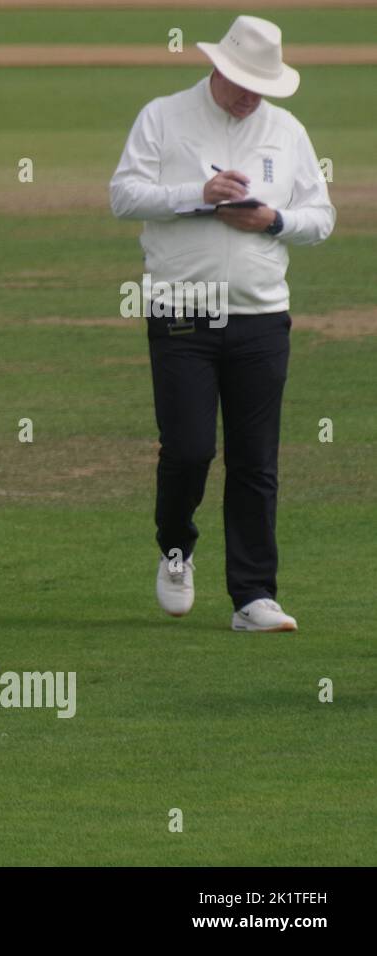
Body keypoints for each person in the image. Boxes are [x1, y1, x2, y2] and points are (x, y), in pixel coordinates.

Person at [109, 16, 334, 632]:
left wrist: (275, 220)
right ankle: (176, 549)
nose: (250, 95)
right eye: (242, 81)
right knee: (188, 450)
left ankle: (253, 597)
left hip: (262, 312)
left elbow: (322, 215)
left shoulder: (285, 131)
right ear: (218, 67)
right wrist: (197, 194)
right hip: (184, 308)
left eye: (262, 85)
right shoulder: (163, 116)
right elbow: (124, 195)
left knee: (256, 460)